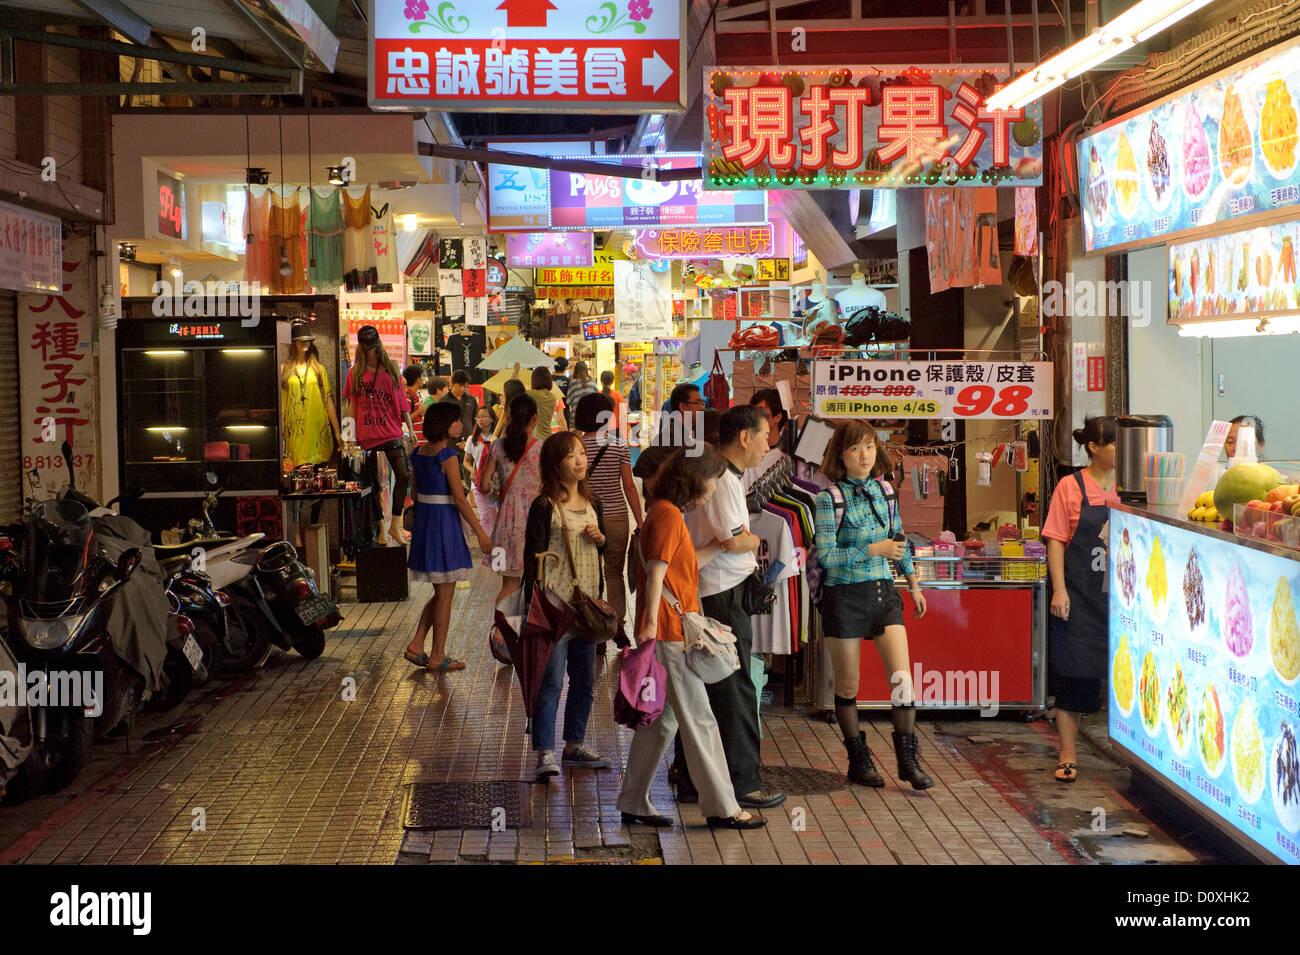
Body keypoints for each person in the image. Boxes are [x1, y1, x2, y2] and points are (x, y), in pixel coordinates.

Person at [617, 448, 767, 831]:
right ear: (694, 479)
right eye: (712, 480)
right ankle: (722, 807)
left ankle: (633, 800)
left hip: (667, 628)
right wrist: (650, 622)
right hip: (670, 631)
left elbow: (679, 567)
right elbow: (656, 572)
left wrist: (720, 544)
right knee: (700, 720)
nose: (715, 488)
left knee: (661, 724)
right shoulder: (668, 514)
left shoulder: (664, 512)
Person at [676, 405, 785, 810]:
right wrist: (755, 541)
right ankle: (742, 782)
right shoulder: (722, 478)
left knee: (711, 685)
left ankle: (693, 778)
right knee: (733, 686)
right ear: (744, 437)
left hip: (718, 589)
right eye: (763, 436)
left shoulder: (726, 475)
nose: (767, 445)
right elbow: (733, 539)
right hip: (722, 592)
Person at [815, 419, 934, 790]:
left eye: (869, 445)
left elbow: (899, 540)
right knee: (849, 686)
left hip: (884, 593)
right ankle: (858, 759)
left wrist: (913, 584)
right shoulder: (828, 498)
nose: (864, 454)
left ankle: (908, 761)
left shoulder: (885, 490)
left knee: (903, 682)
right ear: (841, 455)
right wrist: (872, 549)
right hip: (844, 598)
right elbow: (826, 556)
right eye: (854, 448)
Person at [521, 432, 613, 779]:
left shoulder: (593, 502)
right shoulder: (544, 506)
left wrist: (600, 539)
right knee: (551, 681)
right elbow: (532, 556)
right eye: (572, 455)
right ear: (554, 463)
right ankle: (545, 752)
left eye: (582, 454)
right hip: (555, 608)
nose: (580, 461)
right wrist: (534, 599)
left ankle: (574, 744)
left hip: (586, 606)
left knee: (585, 680)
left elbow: (602, 549)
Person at [1043, 416, 1119, 784]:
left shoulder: (1133, 487)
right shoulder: (1070, 487)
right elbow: (1055, 540)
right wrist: (1059, 589)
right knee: (1073, 677)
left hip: (1122, 600)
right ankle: (1068, 753)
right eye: (1114, 443)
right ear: (1093, 447)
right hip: (1080, 596)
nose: (1121, 451)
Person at [403, 404, 493, 672]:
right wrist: (481, 532)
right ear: (445, 425)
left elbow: (416, 491)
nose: (460, 424)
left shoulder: (418, 452)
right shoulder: (448, 455)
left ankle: (418, 644)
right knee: (446, 592)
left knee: (441, 590)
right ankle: (437, 654)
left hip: (426, 521)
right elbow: (460, 500)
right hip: (444, 523)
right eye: (455, 421)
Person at [576, 393, 644, 640]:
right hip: (616, 517)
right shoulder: (618, 446)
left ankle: (593, 627)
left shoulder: (575, 447)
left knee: (587, 573)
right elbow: (629, 487)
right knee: (614, 573)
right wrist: (641, 520)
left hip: (583, 519)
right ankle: (616, 624)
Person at [345, 324, 415, 547]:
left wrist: (411, 428)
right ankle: (381, 528)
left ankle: (396, 523)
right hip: (367, 434)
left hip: (391, 430)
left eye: (373, 348)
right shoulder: (355, 372)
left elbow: (402, 403)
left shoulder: (391, 370)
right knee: (372, 485)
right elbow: (351, 404)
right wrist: (349, 435)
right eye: (367, 349)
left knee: (404, 475)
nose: (371, 352)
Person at [479, 393, 543, 608]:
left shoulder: (497, 446)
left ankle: (503, 634)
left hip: (505, 524)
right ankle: (518, 635)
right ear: (534, 418)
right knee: (536, 583)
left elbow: (484, 485)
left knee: (509, 585)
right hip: (535, 523)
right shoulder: (542, 448)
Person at [281, 322, 342, 546]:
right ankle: (296, 533)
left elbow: (328, 401)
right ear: (293, 343)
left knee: (319, 485)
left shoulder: (319, 370)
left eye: (307, 340)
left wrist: (337, 432)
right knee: (294, 486)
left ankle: (314, 529)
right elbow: (280, 402)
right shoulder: (284, 370)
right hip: (295, 435)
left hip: (317, 433)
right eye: (300, 340)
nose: (305, 343)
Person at [632, 382, 706, 487]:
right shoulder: (672, 435)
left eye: (702, 403)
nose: (702, 407)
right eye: (697, 403)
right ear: (683, 407)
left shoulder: (687, 432)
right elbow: (643, 463)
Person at [466, 406, 498, 534]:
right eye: (478, 417)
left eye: (484, 416)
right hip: (478, 482)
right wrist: (472, 470)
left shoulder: (497, 438)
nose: (480, 419)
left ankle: (496, 544)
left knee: (495, 515)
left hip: (496, 483)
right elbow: (466, 461)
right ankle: (489, 548)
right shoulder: (472, 439)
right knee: (485, 516)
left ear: (491, 419)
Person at [441, 369, 478, 437]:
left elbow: (476, 419)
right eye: (460, 385)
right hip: (450, 441)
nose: (462, 389)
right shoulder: (444, 401)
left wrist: (473, 435)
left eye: (465, 386)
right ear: (452, 383)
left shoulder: (471, 399)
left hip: (469, 440)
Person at [526, 367, 559, 441]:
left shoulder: (533, 394)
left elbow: (516, 391)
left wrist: (515, 374)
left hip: (536, 438)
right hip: (548, 436)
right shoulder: (553, 397)